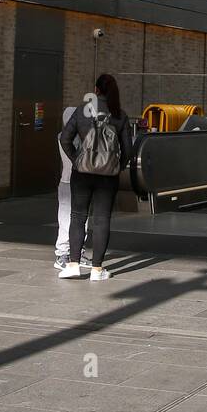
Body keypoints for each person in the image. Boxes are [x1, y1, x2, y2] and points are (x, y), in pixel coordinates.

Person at [58, 74, 133, 281]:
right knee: (101, 220)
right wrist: (117, 166)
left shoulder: (82, 111)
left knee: (77, 216)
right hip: (108, 177)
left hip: (81, 174)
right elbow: (128, 149)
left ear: (96, 89)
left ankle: (73, 264)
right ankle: (97, 270)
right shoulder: (120, 115)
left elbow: (65, 139)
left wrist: (77, 160)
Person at [54, 105, 89, 270]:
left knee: (78, 219)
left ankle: (76, 252)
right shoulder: (69, 138)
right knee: (70, 219)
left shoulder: (65, 136)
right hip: (71, 183)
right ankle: (63, 254)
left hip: (71, 182)